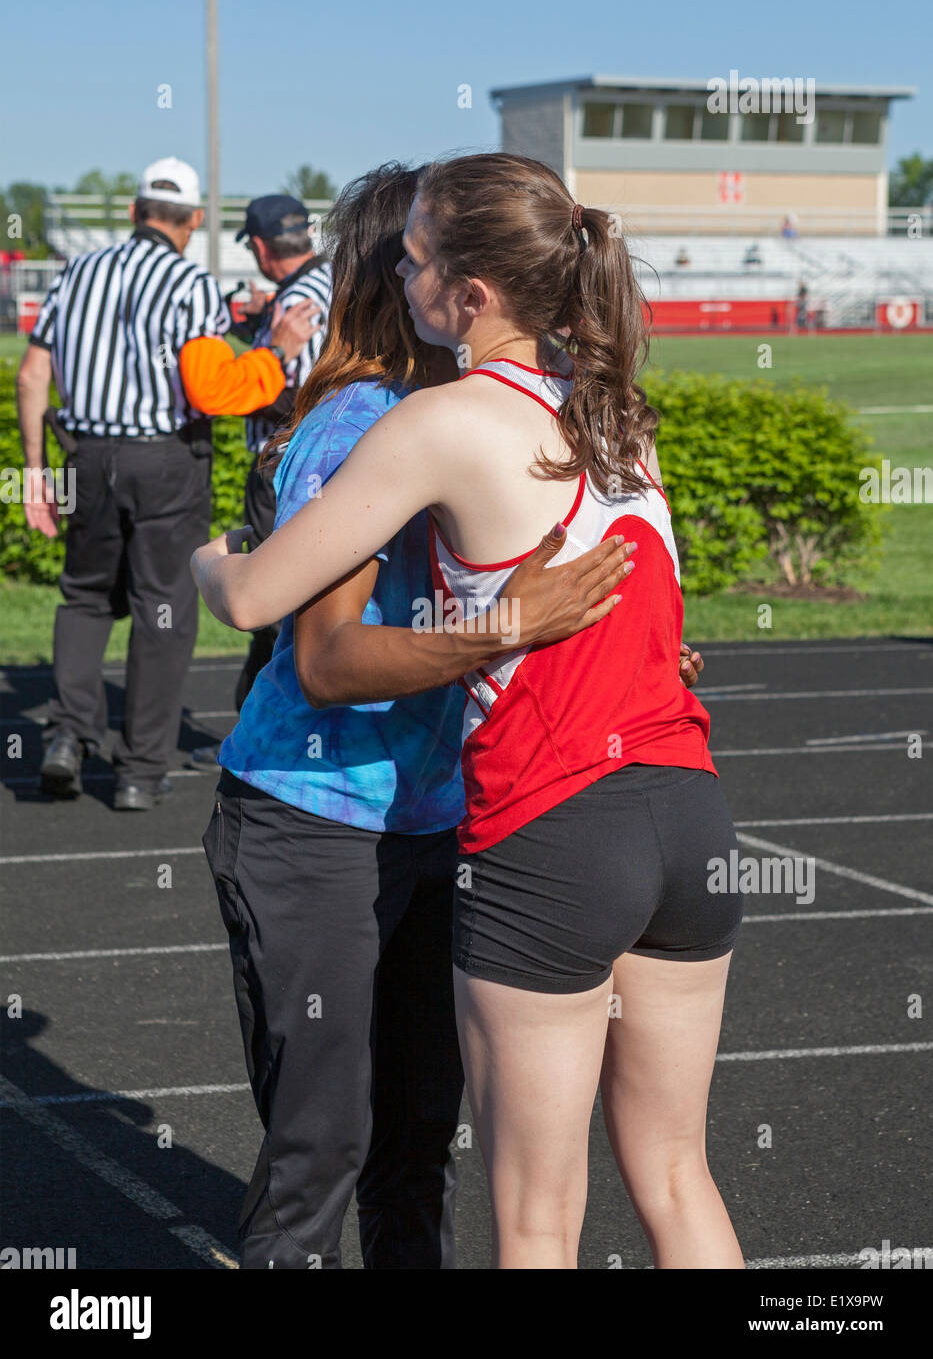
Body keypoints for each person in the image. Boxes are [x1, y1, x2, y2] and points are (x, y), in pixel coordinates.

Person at [191, 152, 744, 1269]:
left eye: (416, 260)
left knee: (535, 1219)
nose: (399, 278)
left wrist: (208, 561)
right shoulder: (615, 412)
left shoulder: (437, 420)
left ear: (470, 292)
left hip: (555, 827)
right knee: (679, 1178)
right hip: (691, 818)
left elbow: (263, 603)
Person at [17, 157, 316, 809]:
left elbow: (32, 375)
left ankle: (68, 735)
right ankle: (139, 771)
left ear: (133, 211)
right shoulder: (189, 281)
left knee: (83, 598)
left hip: (87, 455)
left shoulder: (78, 272)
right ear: (194, 221)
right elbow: (209, 391)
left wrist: (34, 475)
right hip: (164, 461)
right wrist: (277, 355)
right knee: (162, 612)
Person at [190, 196, 332, 769]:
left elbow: (292, 393)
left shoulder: (297, 300)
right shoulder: (332, 278)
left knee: (272, 598)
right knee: (305, 597)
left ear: (261, 247)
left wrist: (262, 356)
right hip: (329, 464)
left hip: (283, 466)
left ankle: (261, 729)